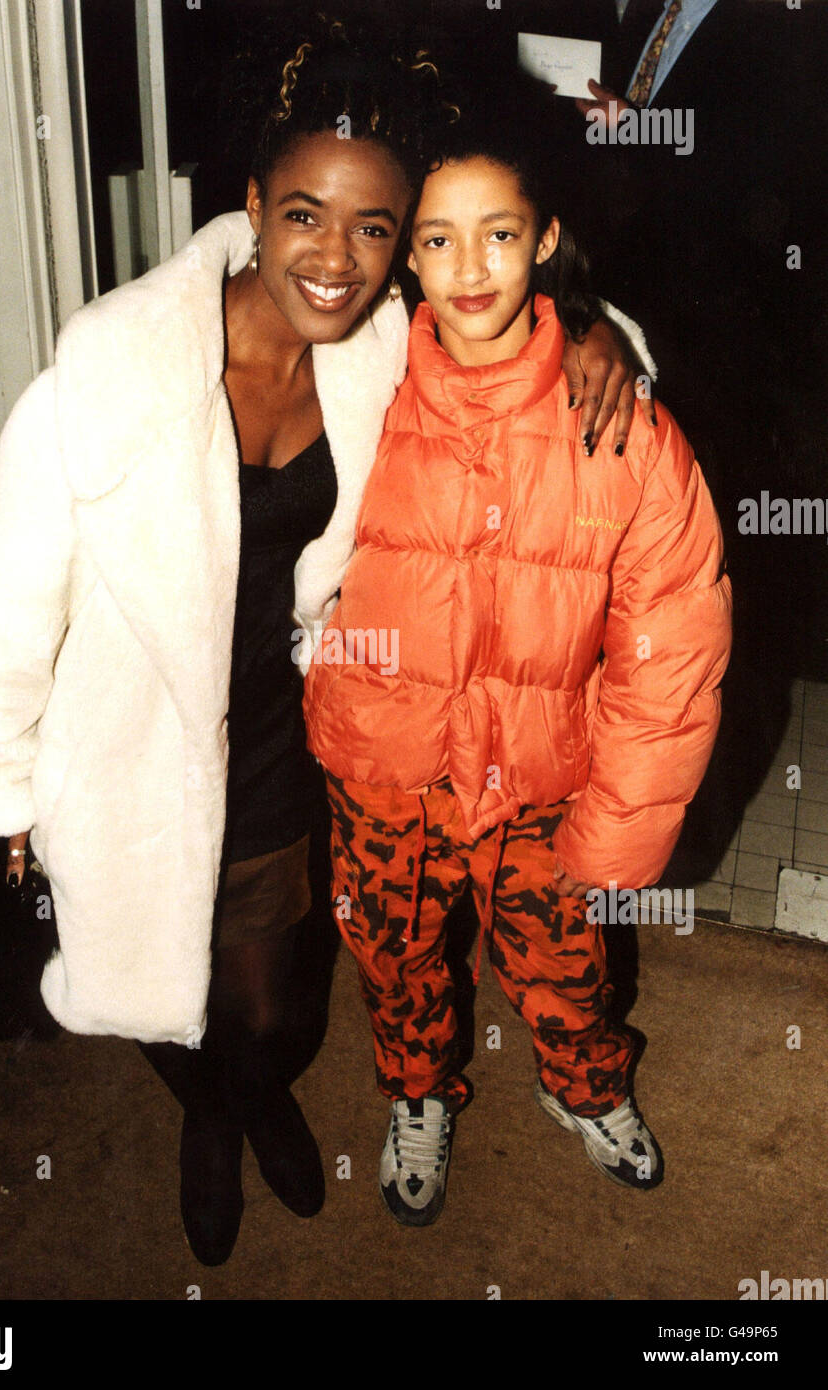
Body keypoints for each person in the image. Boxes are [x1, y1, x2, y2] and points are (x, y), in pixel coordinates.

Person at [0, 16, 652, 1266]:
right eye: (307, 214)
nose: (337, 257)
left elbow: (510, 323)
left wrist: (590, 329)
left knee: (276, 1007)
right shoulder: (105, 372)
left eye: (376, 228)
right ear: (253, 203)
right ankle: (208, 1117)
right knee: (149, 972)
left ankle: (250, 1084)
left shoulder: (387, 349)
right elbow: (0, 607)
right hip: (122, 738)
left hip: (276, 735)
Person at [304, 91, 732, 1227]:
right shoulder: (359, 392)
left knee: (567, 970)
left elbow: (673, 637)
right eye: (435, 239)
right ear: (402, 256)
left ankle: (584, 1087)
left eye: (498, 233)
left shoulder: (620, 422)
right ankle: (416, 1093)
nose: (467, 268)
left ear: (545, 239)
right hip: (383, 764)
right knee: (393, 961)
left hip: (542, 778)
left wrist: (620, 828)